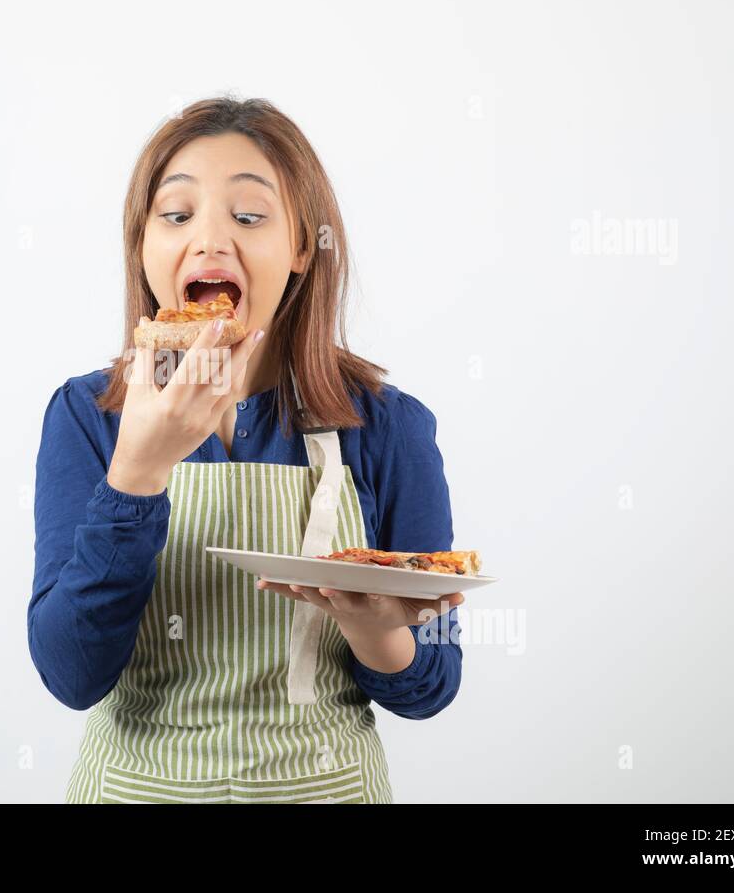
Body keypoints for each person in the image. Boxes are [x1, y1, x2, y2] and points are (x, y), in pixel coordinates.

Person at [29, 96, 465, 803]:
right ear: (143, 248)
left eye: (249, 216)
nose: (209, 241)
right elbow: (70, 676)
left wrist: (376, 629)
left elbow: (433, 687)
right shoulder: (88, 415)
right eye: (176, 216)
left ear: (301, 248)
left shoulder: (388, 426)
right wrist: (136, 473)